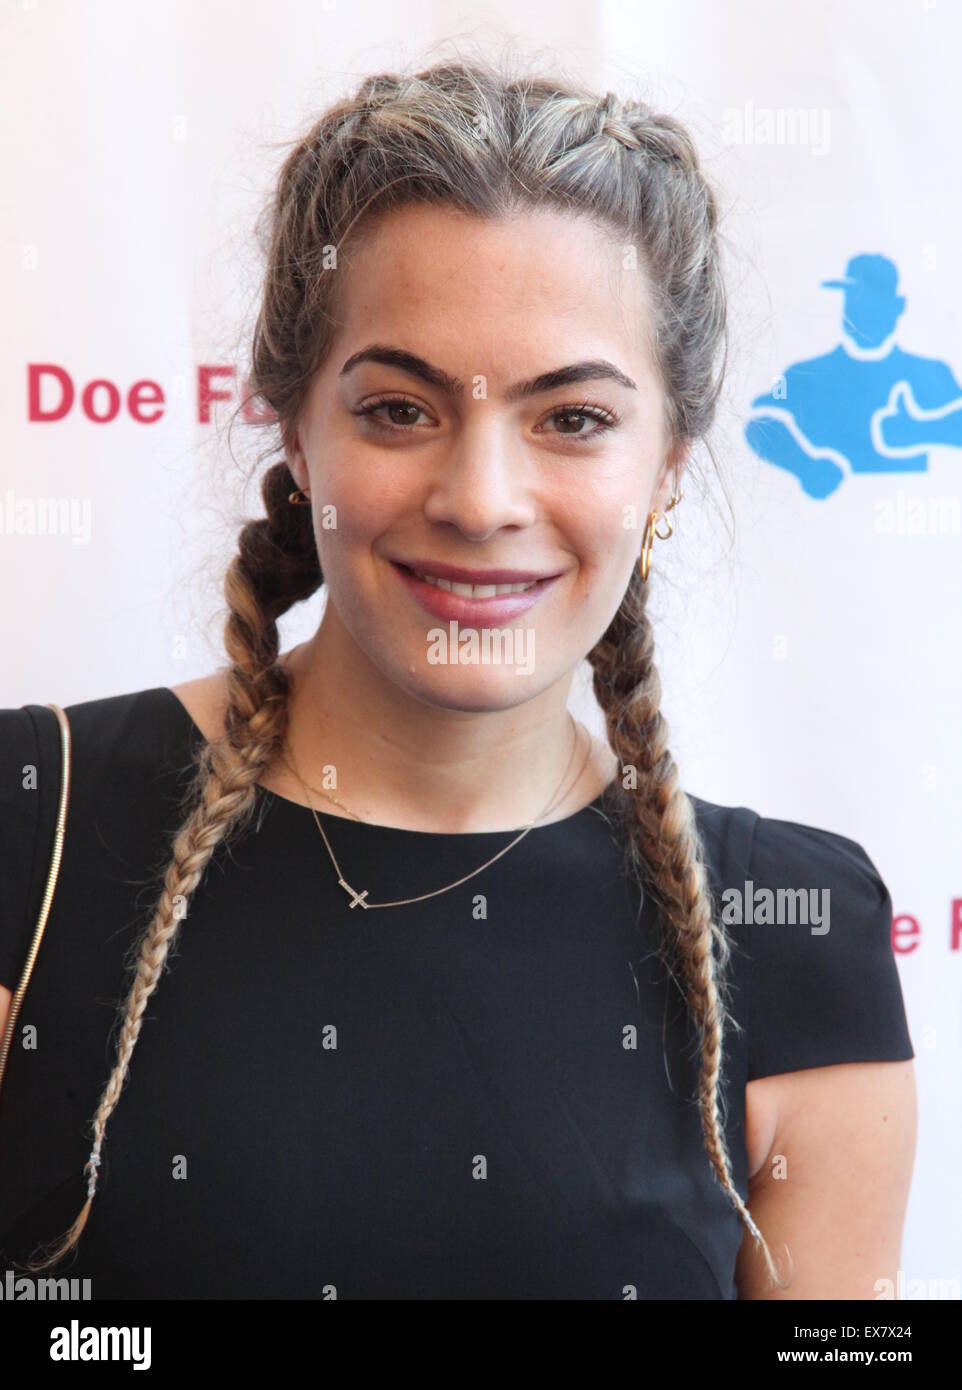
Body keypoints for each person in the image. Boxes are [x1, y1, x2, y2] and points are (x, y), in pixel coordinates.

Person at [0, 57, 916, 1300]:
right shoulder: (31, 819)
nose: (480, 500)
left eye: (573, 418)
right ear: (294, 431)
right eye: (396, 409)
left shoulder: (801, 930)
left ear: (665, 470)